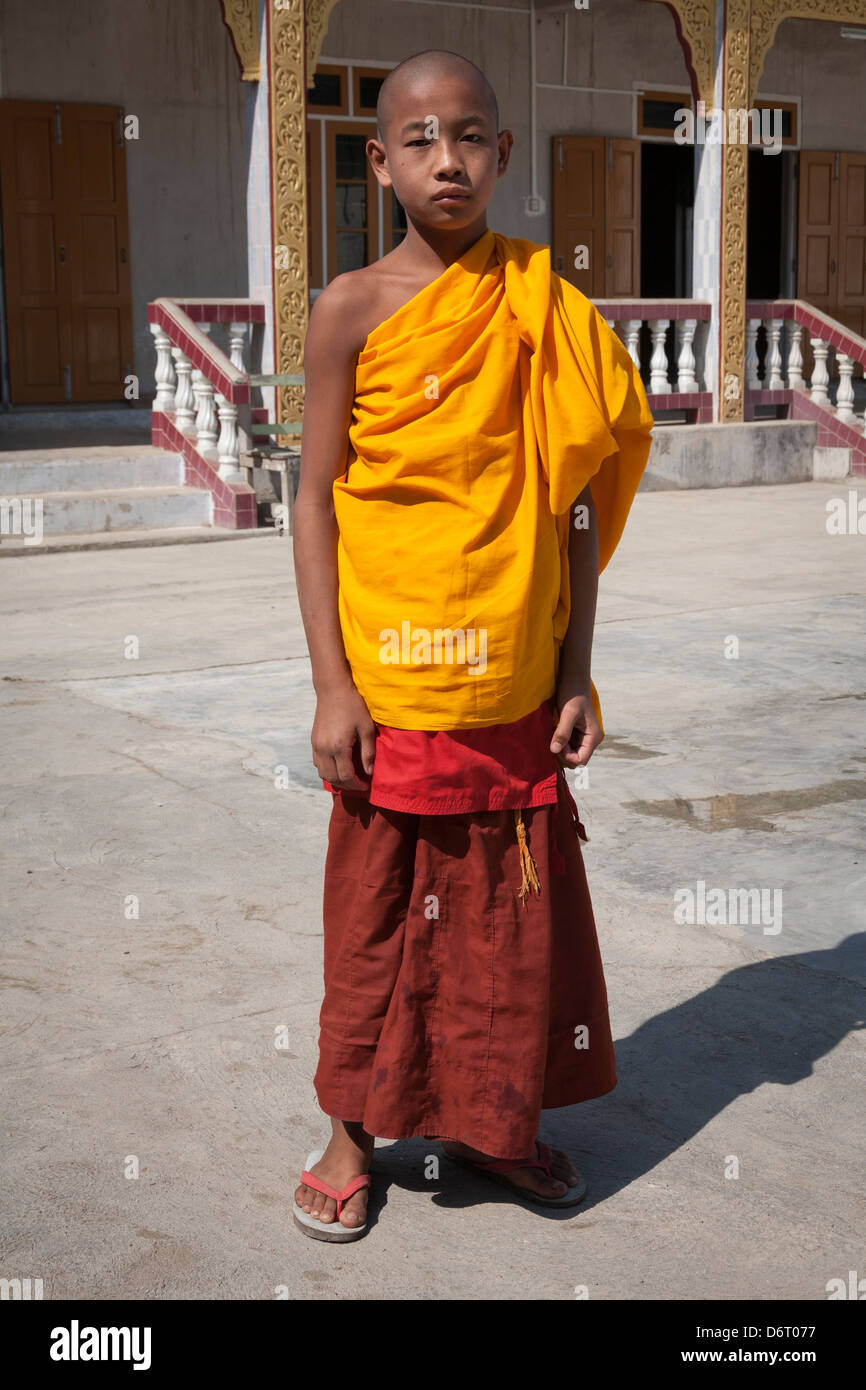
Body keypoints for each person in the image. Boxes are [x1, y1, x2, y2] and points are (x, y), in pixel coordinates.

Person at [292, 48, 654, 1241]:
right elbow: (313, 500)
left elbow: (579, 502)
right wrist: (330, 684)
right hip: (391, 680)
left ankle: (492, 1128)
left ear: (502, 150)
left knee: (507, 924)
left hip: (510, 675)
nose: (446, 158)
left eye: (471, 135)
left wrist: (576, 664)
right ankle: (349, 1127)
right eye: (419, 138)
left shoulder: (546, 306)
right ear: (378, 158)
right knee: (378, 920)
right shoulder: (347, 309)